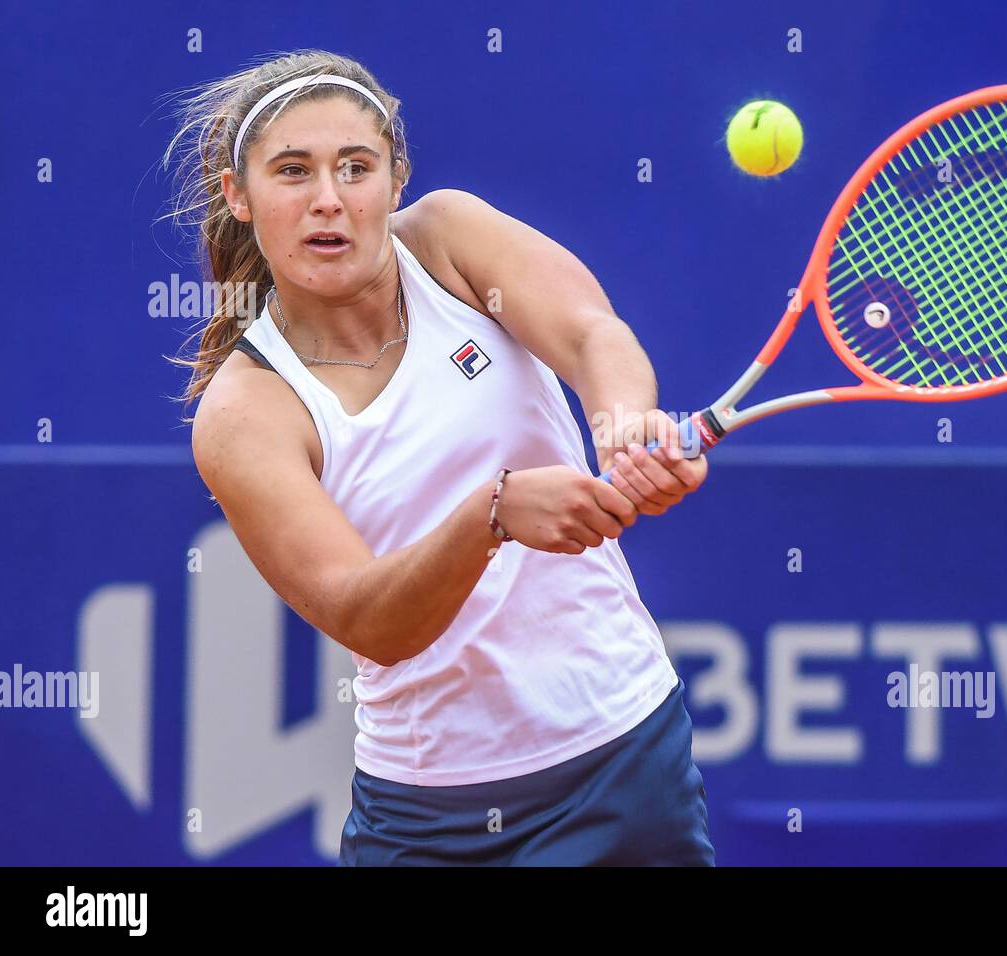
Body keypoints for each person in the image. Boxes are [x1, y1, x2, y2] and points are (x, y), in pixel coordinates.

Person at [163, 50, 714, 865]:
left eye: (356, 167)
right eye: (292, 171)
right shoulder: (246, 411)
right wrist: (492, 514)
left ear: (395, 178)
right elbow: (366, 618)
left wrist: (626, 430)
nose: (329, 200)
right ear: (237, 197)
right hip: (431, 821)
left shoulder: (450, 240)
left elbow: (592, 334)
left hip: (624, 757)